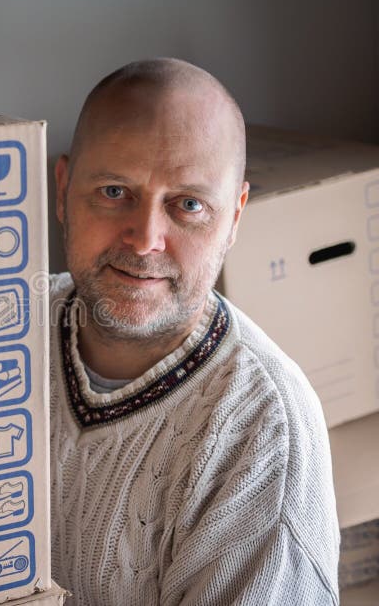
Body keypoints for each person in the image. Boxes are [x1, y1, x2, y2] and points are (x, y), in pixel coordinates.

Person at [49, 58, 340, 605]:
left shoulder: (263, 432)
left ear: (234, 217)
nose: (145, 240)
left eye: (187, 205)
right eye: (115, 192)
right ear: (64, 188)